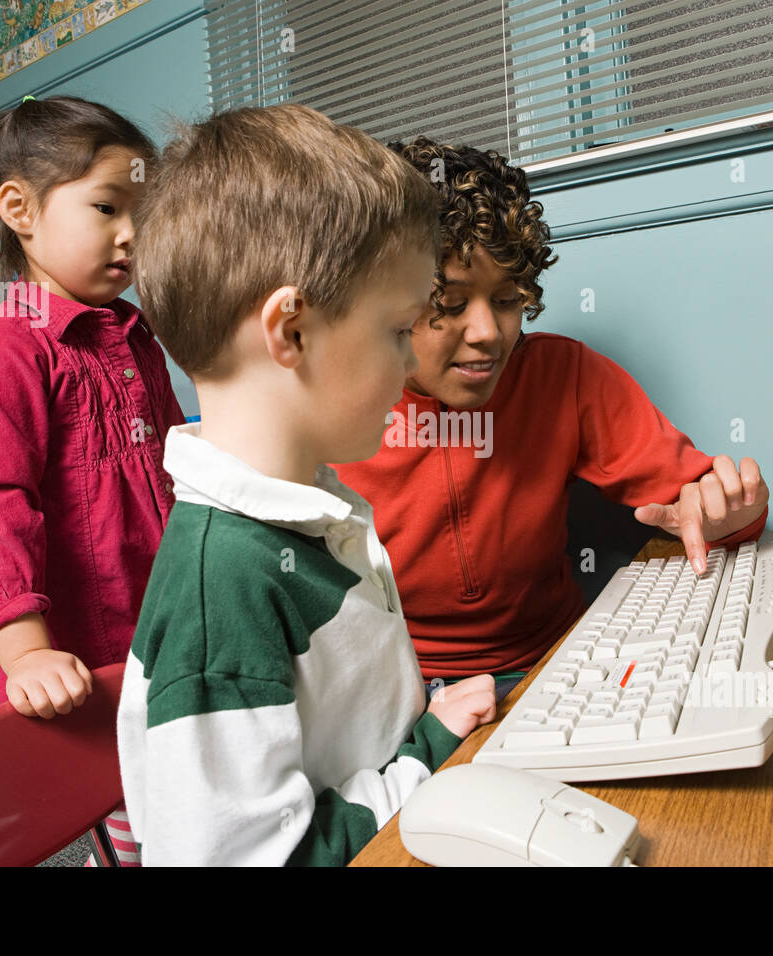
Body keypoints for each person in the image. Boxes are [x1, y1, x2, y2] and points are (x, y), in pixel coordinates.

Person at [117, 104, 497, 866]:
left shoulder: (305, 511)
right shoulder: (222, 587)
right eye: (398, 331)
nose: (412, 364)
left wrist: (426, 731)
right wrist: (425, 755)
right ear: (291, 331)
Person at [335, 139, 771, 700]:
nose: (488, 332)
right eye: (450, 302)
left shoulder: (563, 375)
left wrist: (729, 510)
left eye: (507, 299)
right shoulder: (337, 407)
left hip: (554, 671)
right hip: (398, 693)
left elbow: (701, 500)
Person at [0, 95, 185, 864]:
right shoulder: (4, 351)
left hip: (155, 634)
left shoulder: (137, 336)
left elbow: (175, 463)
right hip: (76, 656)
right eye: (108, 207)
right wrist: (25, 652)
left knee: (172, 800)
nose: (130, 236)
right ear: (19, 209)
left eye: (140, 216)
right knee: (135, 819)